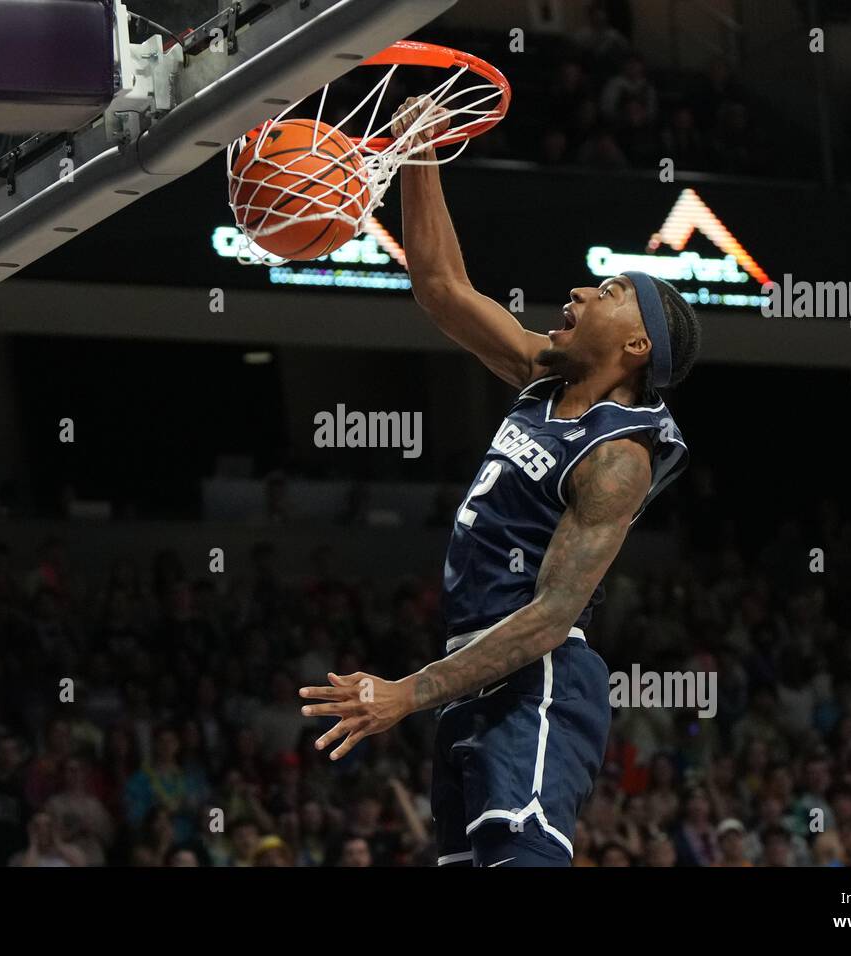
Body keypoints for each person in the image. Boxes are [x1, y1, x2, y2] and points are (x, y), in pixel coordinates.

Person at [297, 95, 700, 867]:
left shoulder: (620, 455)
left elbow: (552, 616)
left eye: (608, 292)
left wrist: (409, 693)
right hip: (469, 671)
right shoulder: (538, 377)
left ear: (638, 344)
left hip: (539, 677)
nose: (581, 293)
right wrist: (418, 150)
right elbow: (441, 288)